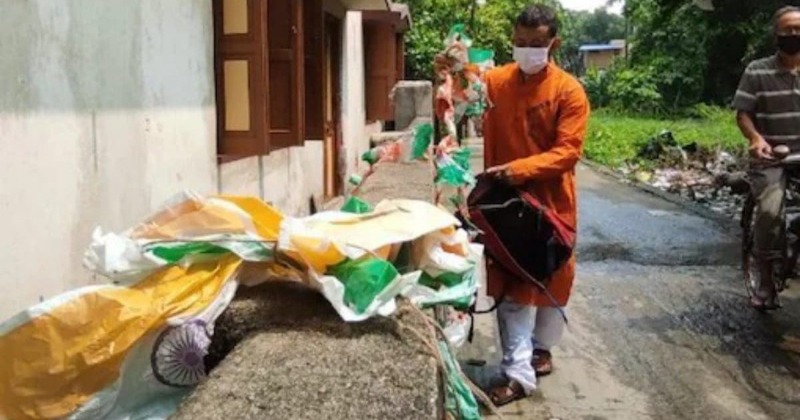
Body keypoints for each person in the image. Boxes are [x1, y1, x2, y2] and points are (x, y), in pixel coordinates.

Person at [481, 3, 590, 406]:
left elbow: (568, 152)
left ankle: (541, 348)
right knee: (514, 287)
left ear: (553, 44)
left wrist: (519, 170)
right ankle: (517, 373)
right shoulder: (493, 82)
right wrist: (453, 76)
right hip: (503, 206)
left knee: (553, 281)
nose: (527, 50)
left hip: (551, 204)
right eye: (520, 43)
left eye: (536, 44)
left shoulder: (569, 91)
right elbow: (461, 96)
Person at [733, 6, 800, 311]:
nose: (793, 35)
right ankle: (764, 278)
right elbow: (743, 113)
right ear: (776, 34)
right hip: (772, 157)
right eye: (787, 30)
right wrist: (756, 139)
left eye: (798, 29)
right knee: (771, 212)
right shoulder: (757, 70)